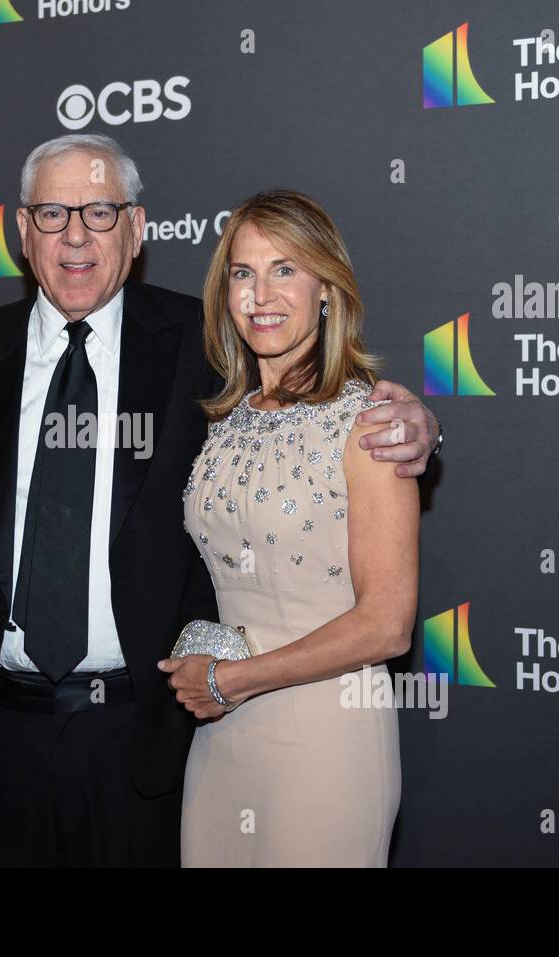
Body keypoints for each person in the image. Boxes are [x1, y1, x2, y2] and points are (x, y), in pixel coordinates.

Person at [0, 134, 438, 866]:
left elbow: (323, 392)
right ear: (22, 232)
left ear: (137, 229)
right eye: (52, 213)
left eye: (101, 212)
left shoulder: (208, 346)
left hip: (151, 741)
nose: (76, 235)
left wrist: (422, 426)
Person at [162, 189, 418, 866]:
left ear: (327, 289)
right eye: (243, 272)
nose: (260, 293)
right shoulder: (226, 419)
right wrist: (211, 659)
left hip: (326, 738)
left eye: (285, 269)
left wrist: (233, 679)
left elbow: (387, 623)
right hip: (222, 742)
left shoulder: (371, 425)